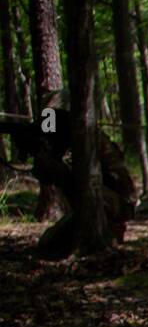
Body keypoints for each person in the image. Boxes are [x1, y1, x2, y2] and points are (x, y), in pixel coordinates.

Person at [0, 90, 138, 258]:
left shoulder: (86, 139)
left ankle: (110, 231)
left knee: (54, 248)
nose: (50, 121)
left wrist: (44, 155)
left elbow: (64, 174)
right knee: (48, 244)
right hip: (94, 204)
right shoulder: (65, 138)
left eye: (54, 116)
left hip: (116, 203)